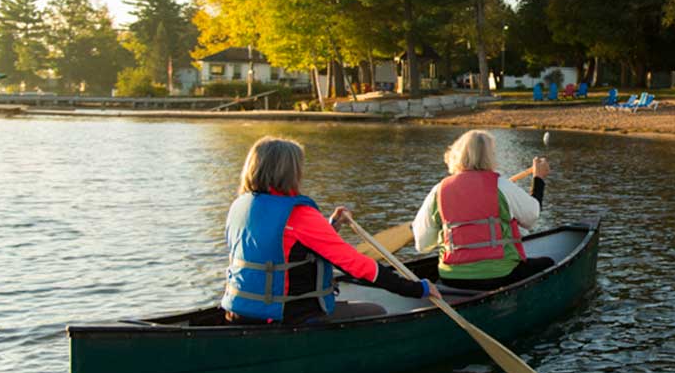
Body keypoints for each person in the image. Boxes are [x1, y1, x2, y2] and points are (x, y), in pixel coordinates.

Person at [222, 136, 439, 325]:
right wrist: (416, 289)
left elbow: (283, 243)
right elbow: (357, 265)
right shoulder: (299, 214)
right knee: (377, 311)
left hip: (238, 312)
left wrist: (330, 226)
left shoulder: (239, 206)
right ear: (289, 173)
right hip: (288, 316)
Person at [412, 130, 553, 291]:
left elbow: (422, 245)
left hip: (452, 278)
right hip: (500, 275)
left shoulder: (438, 190)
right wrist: (538, 178)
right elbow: (532, 217)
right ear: (490, 156)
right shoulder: (501, 185)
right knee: (548, 263)